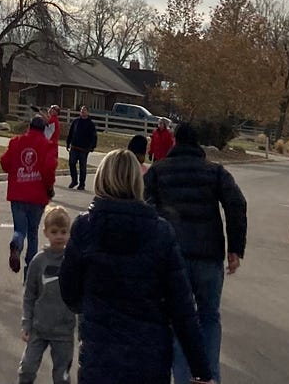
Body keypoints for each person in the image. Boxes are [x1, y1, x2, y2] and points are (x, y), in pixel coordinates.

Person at [59, 148, 213, 384]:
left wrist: (92, 304)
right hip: (149, 360)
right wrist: (201, 368)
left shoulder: (84, 229)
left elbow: (69, 293)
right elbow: (182, 309)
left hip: (100, 359)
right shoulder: (160, 232)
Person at [143, 120, 247, 383]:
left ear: (175, 141)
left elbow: (145, 206)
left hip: (173, 256)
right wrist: (235, 248)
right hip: (209, 255)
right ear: (198, 143)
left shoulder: (158, 171)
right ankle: (209, 377)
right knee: (209, 317)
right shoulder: (215, 172)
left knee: (178, 319)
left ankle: (181, 377)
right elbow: (236, 204)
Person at [17, 204, 77, 384]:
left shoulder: (73, 262)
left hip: (64, 331)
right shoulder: (39, 261)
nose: (59, 236)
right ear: (46, 232)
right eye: (54, 231)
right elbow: (29, 294)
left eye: (63, 231)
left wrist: (83, 329)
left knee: (61, 375)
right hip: (39, 328)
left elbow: (79, 296)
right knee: (27, 368)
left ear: (69, 233)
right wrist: (26, 322)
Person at [1, 110, 60, 274]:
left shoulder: (17, 142)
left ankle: (17, 244)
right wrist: (49, 187)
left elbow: (4, 163)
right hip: (37, 196)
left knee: (20, 229)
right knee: (33, 232)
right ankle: (31, 266)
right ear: (44, 129)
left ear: (29, 126)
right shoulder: (47, 146)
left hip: (18, 194)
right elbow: (49, 169)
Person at [66, 106, 98, 191]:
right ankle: (74, 180)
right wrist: (68, 143)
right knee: (72, 163)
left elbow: (94, 136)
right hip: (74, 147)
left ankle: (82, 184)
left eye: (84, 110)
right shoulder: (76, 122)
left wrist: (92, 147)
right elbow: (71, 132)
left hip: (84, 149)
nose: (83, 112)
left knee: (82, 167)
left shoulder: (90, 124)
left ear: (88, 112)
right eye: (81, 111)